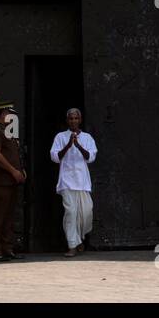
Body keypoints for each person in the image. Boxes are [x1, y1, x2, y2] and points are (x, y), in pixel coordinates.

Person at [50, 108, 97, 257]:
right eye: (71, 119)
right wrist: (69, 145)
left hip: (82, 181)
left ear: (80, 120)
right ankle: (72, 245)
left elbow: (91, 157)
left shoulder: (88, 137)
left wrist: (77, 145)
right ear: (67, 120)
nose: (73, 121)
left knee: (86, 213)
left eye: (76, 118)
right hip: (67, 181)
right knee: (70, 213)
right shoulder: (60, 137)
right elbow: (55, 157)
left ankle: (79, 239)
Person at [0, 101, 24, 261]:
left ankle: (7, 248)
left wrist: (21, 170)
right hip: (1, 181)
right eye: (10, 113)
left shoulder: (8, 131)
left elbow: (14, 154)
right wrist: (13, 171)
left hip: (12, 181)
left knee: (9, 216)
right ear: (3, 114)